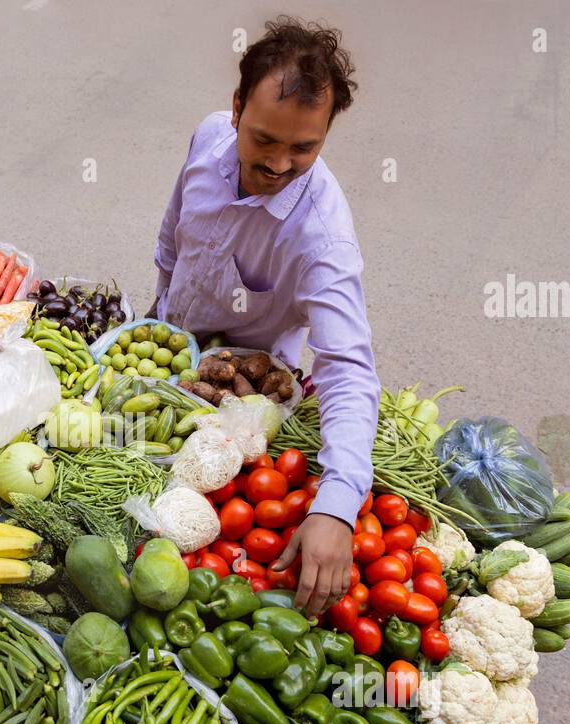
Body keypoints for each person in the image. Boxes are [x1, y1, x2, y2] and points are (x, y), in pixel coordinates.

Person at [149, 17, 380, 617]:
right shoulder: (207, 138)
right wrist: (157, 307)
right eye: (264, 140)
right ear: (234, 111)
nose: (279, 164)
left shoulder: (322, 239)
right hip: (165, 357)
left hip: (237, 407)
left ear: (326, 135)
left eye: (303, 147)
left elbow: (347, 368)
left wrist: (337, 503)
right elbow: (175, 232)